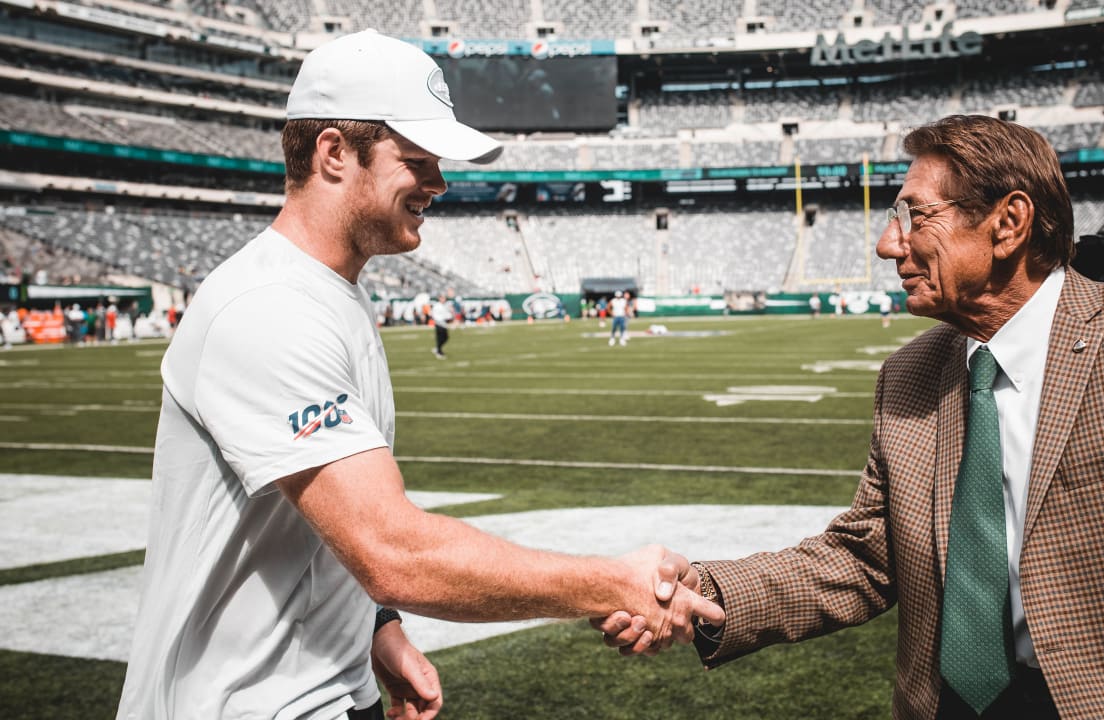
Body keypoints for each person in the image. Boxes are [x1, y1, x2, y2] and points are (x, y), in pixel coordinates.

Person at [117, 30, 721, 720]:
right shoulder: (269, 309)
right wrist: (612, 583)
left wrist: (378, 628)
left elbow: (315, 523)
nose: (437, 182)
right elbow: (391, 549)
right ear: (334, 153)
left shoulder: (328, 292)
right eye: (417, 160)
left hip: (316, 694)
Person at [598, 115, 1104, 719]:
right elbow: (864, 556)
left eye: (915, 216)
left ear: (1008, 224)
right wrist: (708, 593)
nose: (888, 246)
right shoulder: (912, 372)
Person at [430, 294, 452, 359]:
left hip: (443, 324)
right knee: (440, 339)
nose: (444, 299)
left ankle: (437, 349)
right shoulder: (437, 306)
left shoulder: (445, 305)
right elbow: (435, 316)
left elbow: (447, 314)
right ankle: (439, 352)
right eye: (442, 298)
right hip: (439, 324)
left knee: (445, 338)